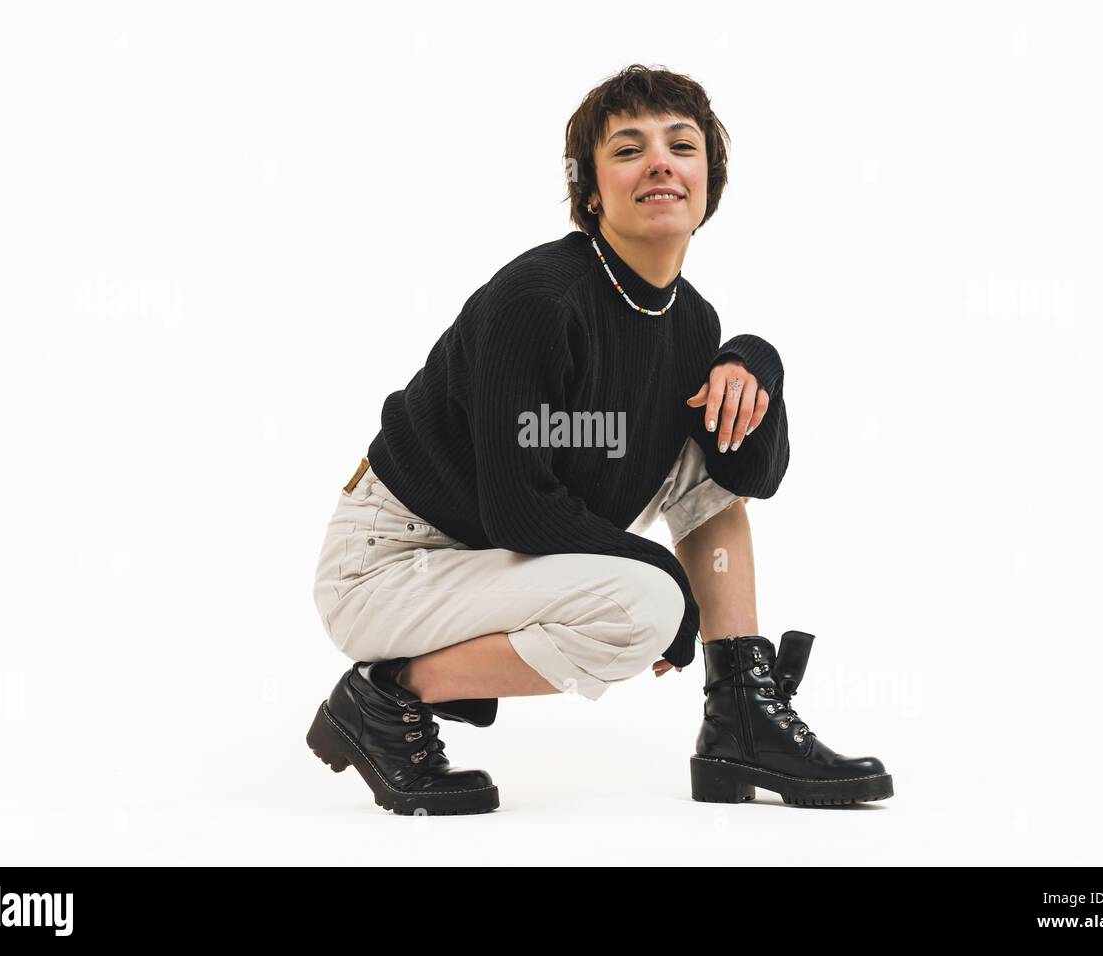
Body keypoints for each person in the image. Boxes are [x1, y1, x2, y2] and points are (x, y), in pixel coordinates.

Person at [305, 64, 892, 815]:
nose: (660, 162)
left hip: (492, 560)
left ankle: (741, 714)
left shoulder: (692, 324)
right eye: (627, 149)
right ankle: (384, 696)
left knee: (701, 461)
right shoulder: (540, 300)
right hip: (394, 565)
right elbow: (520, 509)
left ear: (708, 180)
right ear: (591, 190)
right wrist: (674, 589)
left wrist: (754, 359)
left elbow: (749, 474)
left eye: (682, 145)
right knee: (644, 604)